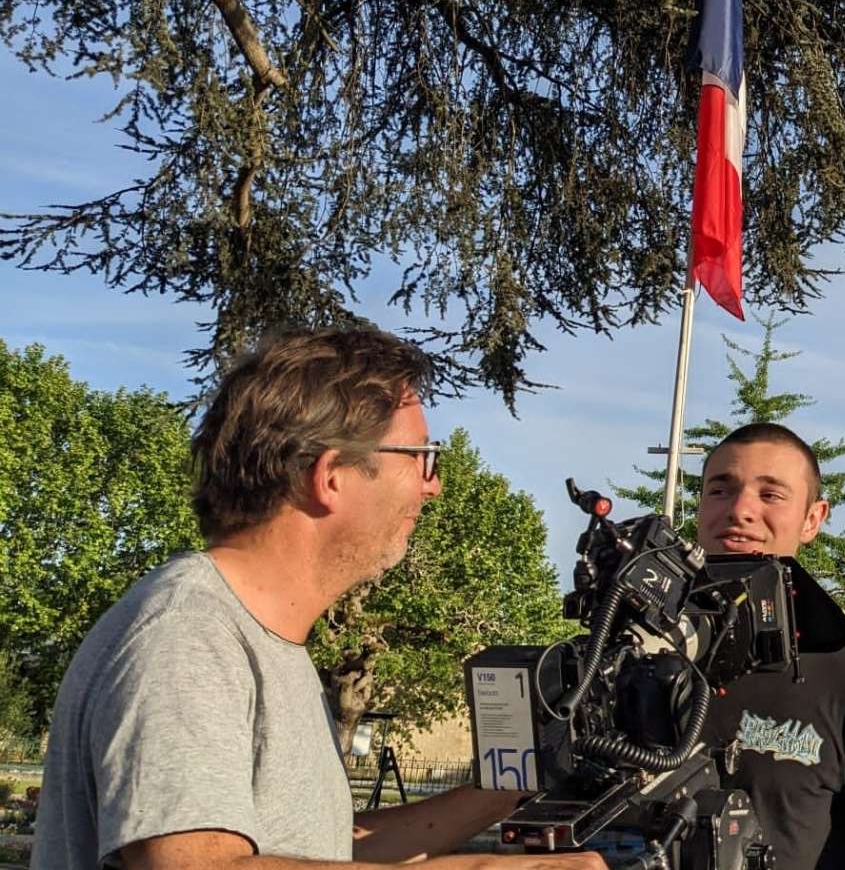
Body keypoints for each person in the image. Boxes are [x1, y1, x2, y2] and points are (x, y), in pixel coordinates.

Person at [32, 328, 604, 870]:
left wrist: (508, 789)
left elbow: (325, 851)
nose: (434, 485)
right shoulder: (187, 637)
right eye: (422, 457)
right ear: (331, 475)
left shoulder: (265, 640)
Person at [693, 422, 845, 870]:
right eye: (721, 490)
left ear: (812, 519)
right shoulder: (631, 658)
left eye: (770, 494)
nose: (740, 510)